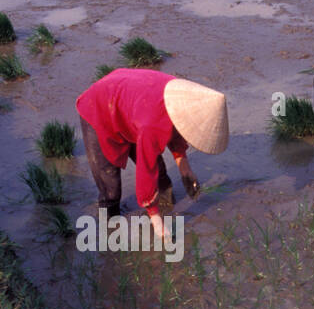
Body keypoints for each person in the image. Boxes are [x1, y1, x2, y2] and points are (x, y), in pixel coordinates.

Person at [75, 68, 228, 241]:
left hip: (132, 105)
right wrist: (155, 218)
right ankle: (110, 227)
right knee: (110, 185)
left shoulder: (177, 97)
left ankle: (166, 199)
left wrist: (185, 169)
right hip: (99, 105)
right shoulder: (151, 125)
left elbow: (177, 128)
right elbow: (145, 169)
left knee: (160, 173)